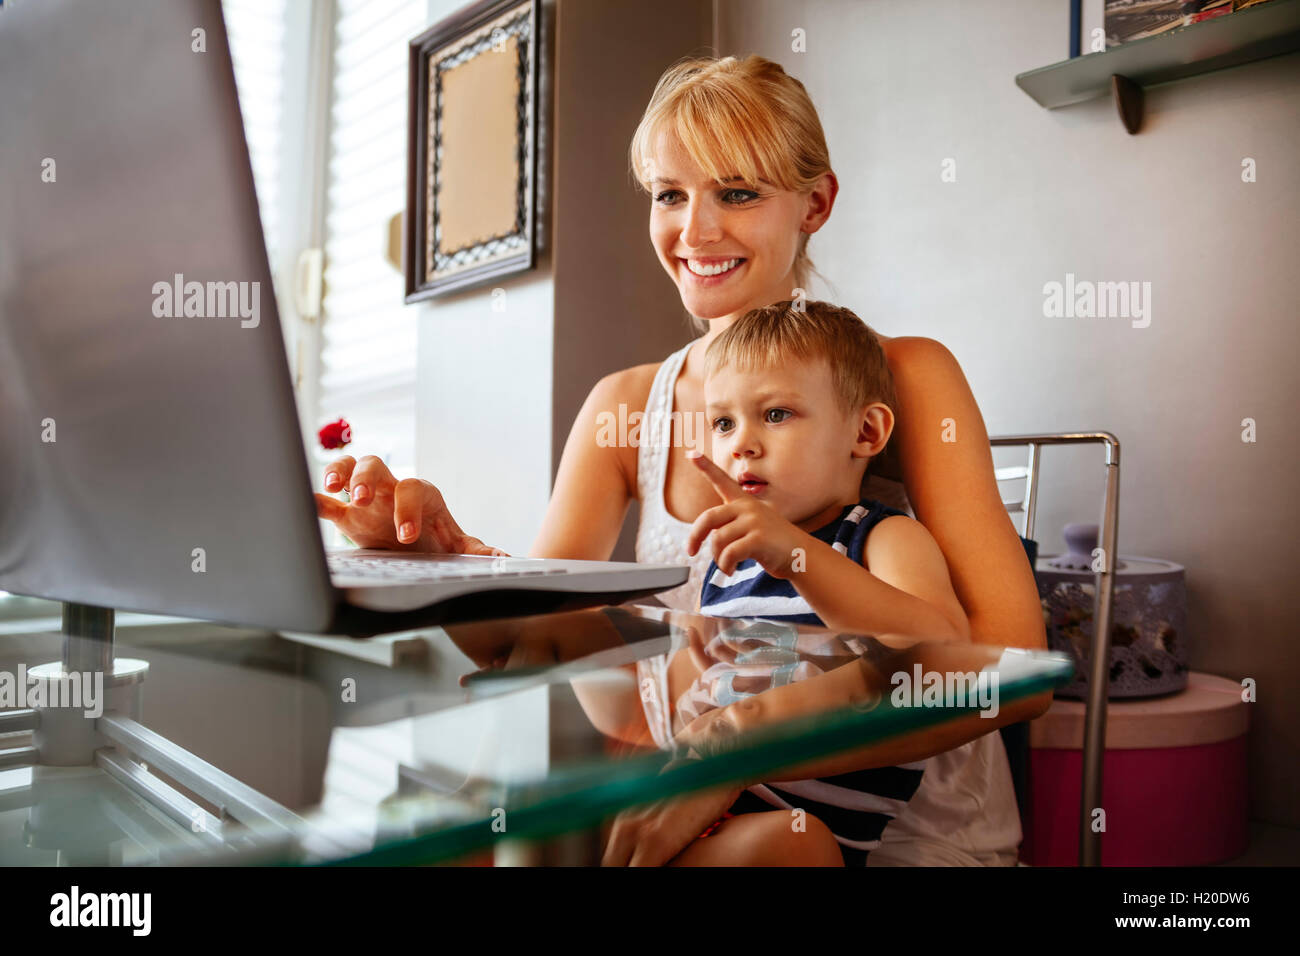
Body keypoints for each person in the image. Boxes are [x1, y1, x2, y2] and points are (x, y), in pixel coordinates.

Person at [315, 54, 1047, 866]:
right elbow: (532, 647)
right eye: (670, 194)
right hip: (685, 813)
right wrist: (431, 555)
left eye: (737, 192)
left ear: (816, 203)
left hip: (898, 841)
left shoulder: (908, 375)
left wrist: (740, 750)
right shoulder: (621, 407)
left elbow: (1015, 671)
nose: (694, 232)